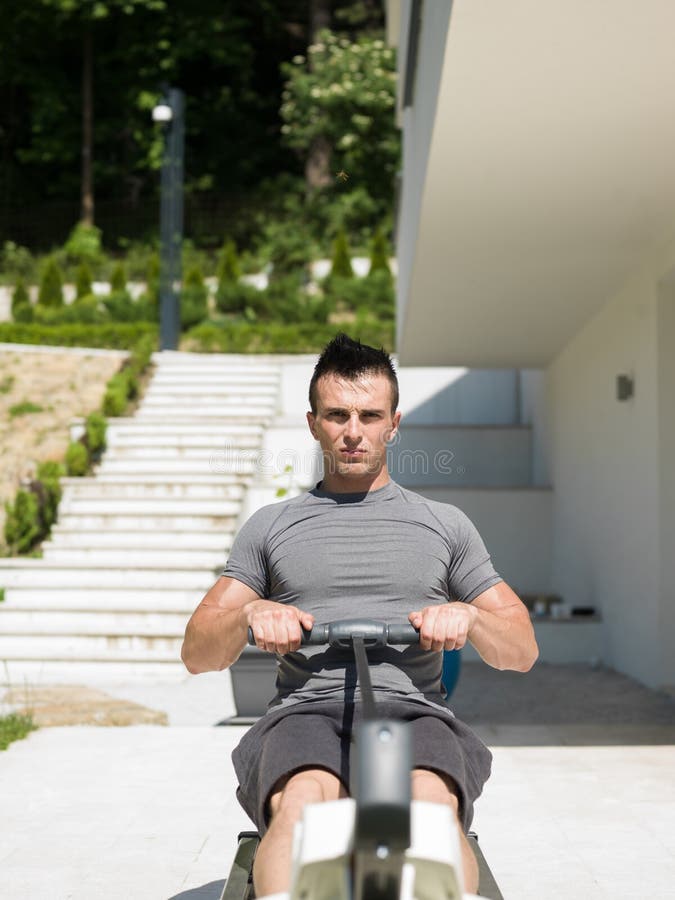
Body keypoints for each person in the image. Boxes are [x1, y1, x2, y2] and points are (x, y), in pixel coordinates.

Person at [181, 333, 538, 896]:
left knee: (427, 804)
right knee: (301, 802)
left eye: (370, 415)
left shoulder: (444, 525)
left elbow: (521, 650)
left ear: (394, 424)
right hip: (303, 713)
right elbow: (198, 653)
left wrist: (470, 616)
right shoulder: (271, 526)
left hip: (413, 714)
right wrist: (250, 611)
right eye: (337, 415)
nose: (353, 432)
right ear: (312, 422)